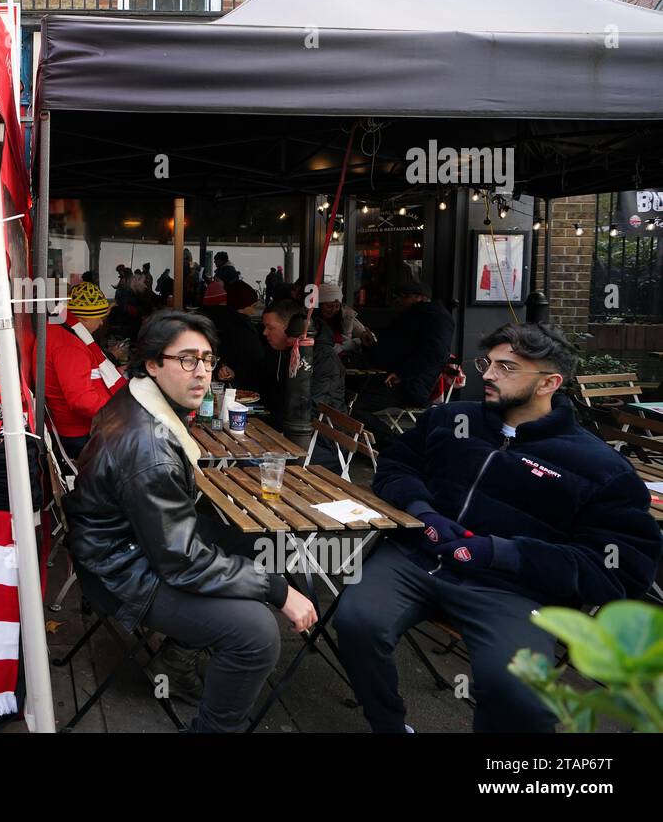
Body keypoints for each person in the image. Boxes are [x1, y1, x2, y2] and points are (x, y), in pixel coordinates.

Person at [335, 322, 663, 733]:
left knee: (519, 692)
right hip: (417, 558)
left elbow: (621, 567)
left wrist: (503, 553)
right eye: (488, 363)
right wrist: (424, 512)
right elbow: (396, 466)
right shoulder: (451, 419)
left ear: (549, 383)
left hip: (510, 589)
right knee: (355, 621)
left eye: (507, 368)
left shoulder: (600, 468)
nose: (487, 375)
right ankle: (388, 724)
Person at [67, 310, 318, 732]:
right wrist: (277, 591)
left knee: (270, 546)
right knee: (255, 633)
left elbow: (176, 538)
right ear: (152, 363)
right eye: (186, 360)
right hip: (119, 571)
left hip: (133, 545)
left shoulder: (139, 399)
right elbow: (182, 562)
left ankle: (177, 659)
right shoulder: (148, 446)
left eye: (206, 359)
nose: (201, 372)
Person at [354, 280, 454, 443]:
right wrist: (372, 346)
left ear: (419, 298)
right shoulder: (416, 316)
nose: (398, 301)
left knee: (353, 405)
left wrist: (402, 373)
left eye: (402, 297)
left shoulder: (434, 318)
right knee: (349, 398)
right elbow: (396, 348)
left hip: (410, 385)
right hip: (399, 378)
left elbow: (434, 354)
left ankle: (393, 444)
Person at [45, 283, 125, 458]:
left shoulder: (61, 329)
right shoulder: (69, 346)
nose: (102, 322)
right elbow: (81, 400)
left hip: (80, 427)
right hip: (81, 432)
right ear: (84, 320)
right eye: (99, 318)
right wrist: (120, 414)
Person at [256, 299, 344, 451]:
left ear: (291, 328)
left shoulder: (323, 357)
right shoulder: (281, 352)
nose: (265, 333)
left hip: (321, 441)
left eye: (270, 328)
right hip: (285, 429)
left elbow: (311, 409)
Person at [212, 280, 265, 390]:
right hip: (243, 385)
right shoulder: (243, 328)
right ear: (243, 306)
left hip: (227, 380)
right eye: (253, 305)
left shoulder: (222, 322)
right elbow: (255, 359)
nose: (255, 310)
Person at [317, 283, 371, 357]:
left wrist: (364, 336)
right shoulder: (312, 320)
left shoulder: (346, 316)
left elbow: (360, 331)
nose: (334, 310)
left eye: (337, 306)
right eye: (329, 306)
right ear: (319, 305)